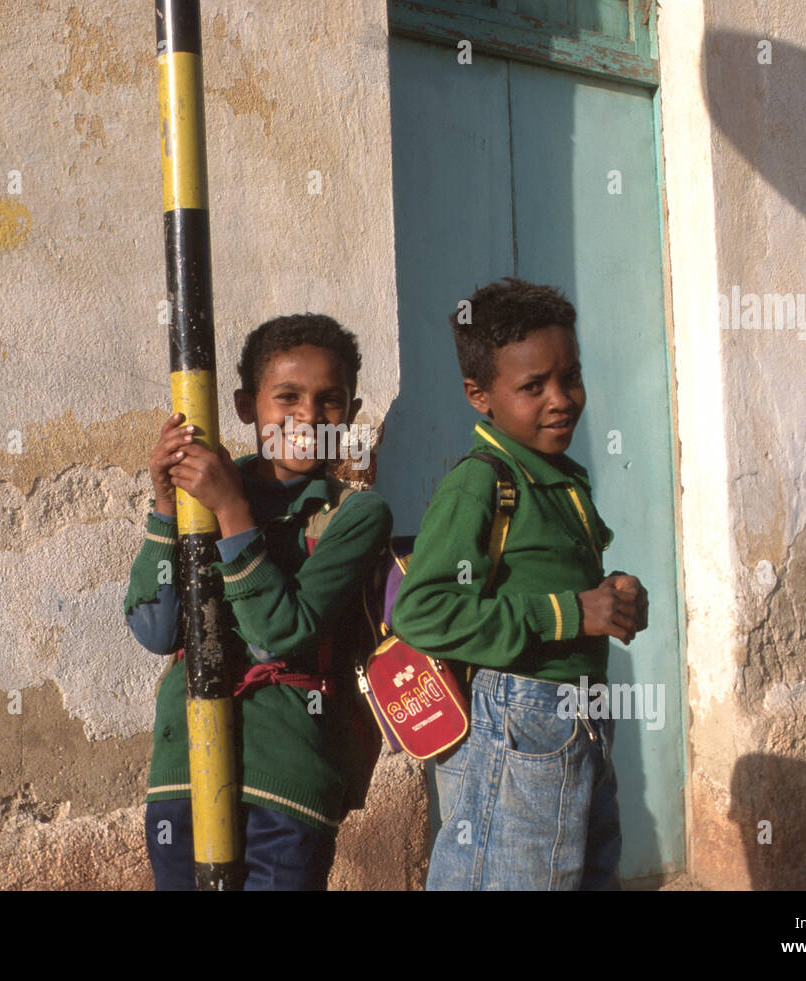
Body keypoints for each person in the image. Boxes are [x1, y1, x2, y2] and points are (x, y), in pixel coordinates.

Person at [391, 278, 648, 890]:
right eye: (533, 387)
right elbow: (422, 611)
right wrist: (567, 614)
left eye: (571, 378)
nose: (561, 400)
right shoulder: (480, 483)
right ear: (479, 395)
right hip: (520, 725)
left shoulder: (556, 476)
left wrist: (614, 598)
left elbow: (556, 585)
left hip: (578, 717)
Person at [124, 313, 391, 890]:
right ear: (247, 407)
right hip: (185, 773)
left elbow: (279, 633)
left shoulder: (353, 515)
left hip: (288, 780)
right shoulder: (207, 491)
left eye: (331, 401)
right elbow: (157, 629)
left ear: (351, 413)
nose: (308, 417)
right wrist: (168, 507)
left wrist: (232, 512)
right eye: (287, 397)